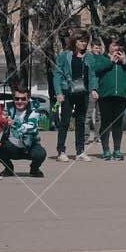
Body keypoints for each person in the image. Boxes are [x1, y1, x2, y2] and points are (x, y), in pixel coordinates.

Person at [88, 37, 126, 160]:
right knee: (106, 122)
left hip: (121, 95)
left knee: (118, 124)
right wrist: (110, 61)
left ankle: (117, 150)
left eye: (118, 46)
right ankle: (106, 150)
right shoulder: (101, 58)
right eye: (114, 45)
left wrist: (124, 61)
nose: (116, 48)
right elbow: (95, 69)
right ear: (109, 47)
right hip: (105, 95)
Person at [52, 30, 93, 161]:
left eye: (86, 41)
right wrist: (58, 92)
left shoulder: (89, 56)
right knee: (65, 121)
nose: (84, 43)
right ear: (74, 41)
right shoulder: (65, 55)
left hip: (82, 92)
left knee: (81, 122)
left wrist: (93, 89)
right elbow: (57, 74)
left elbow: (92, 75)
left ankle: (80, 151)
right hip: (67, 91)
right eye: (81, 41)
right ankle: (61, 151)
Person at [0, 87, 48, 177]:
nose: (20, 101)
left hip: (29, 147)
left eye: (23, 99)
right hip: (12, 146)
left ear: (28, 99)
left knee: (41, 154)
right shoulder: (8, 108)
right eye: (17, 99)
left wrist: (14, 123)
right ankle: (8, 169)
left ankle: (34, 169)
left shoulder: (34, 111)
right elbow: (0, 121)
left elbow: (31, 127)